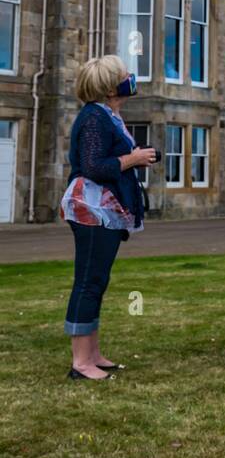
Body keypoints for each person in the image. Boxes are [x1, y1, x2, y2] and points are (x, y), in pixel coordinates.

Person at [60, 55, 156, 380]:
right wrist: (133, 158)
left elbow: (108, 159)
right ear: (110, 85)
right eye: (125, 74)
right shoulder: (93, 118)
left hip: (106, 210)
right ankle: (80, 363)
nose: (131, 78)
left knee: (97, 282)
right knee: (88, 282)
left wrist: (135, 158)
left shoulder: (109, 116)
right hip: (92, 210)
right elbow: (94, 166)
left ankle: (93, 354)